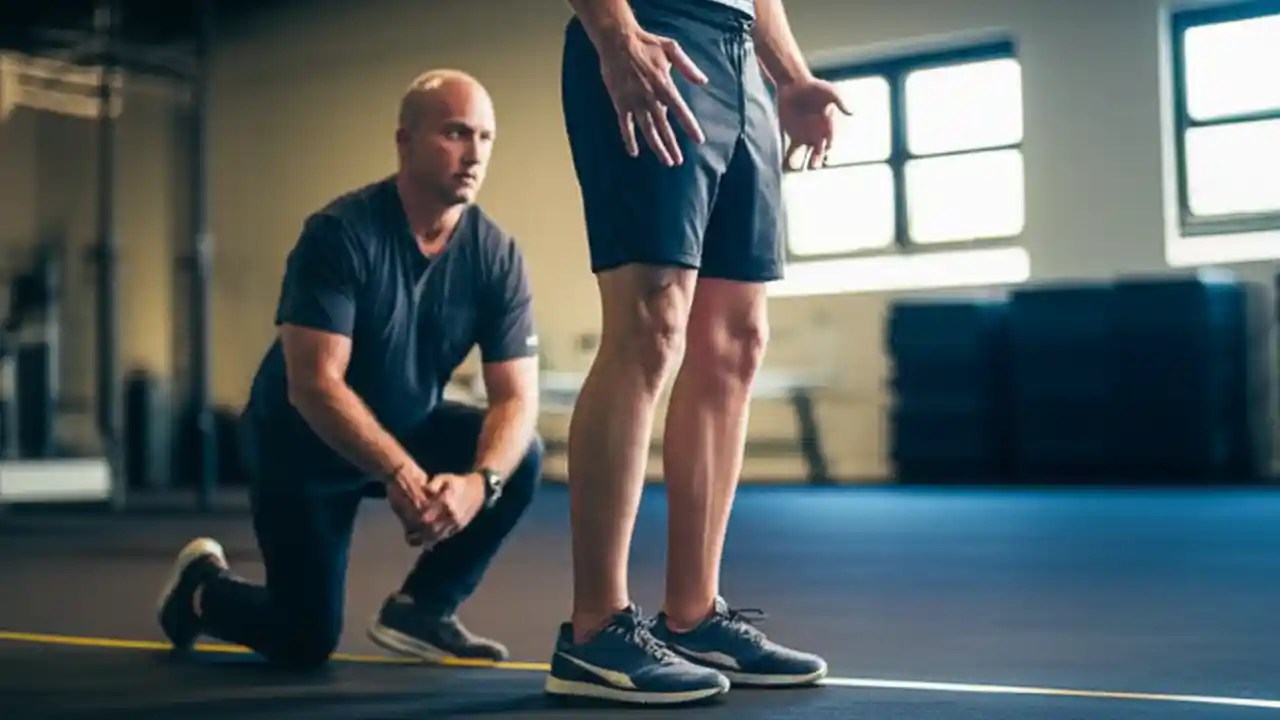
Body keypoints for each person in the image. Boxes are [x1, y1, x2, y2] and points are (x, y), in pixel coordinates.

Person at [154, 69, 543, 669]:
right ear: (404, 141)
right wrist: (402, 473)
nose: (473, 154)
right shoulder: (340, 234)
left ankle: (423, 608)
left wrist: (478, 484)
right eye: (455, 133)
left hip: (406, 421)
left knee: (519, 455)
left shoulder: (497, 255)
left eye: (485, 138)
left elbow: (516, 400)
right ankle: (200, 588)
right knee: (304, 639)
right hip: (300, 441)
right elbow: (313, 384)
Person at [546, 0, 851, 704]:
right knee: (652, 320)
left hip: (739, 58)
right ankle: (595, 633)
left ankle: (692, 615)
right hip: (653, 30)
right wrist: (614, 34)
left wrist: (792, 76)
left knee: (738, 339)